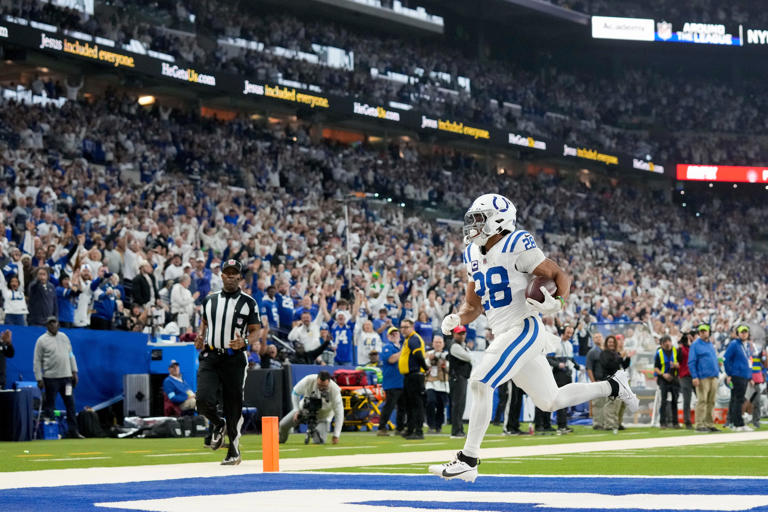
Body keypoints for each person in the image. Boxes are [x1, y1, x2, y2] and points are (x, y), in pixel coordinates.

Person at [429, 193, 638, 482]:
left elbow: (559, 275)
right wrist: (458, 318)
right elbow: (473, 305)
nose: (473, 225)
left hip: (523, 327)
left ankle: (468, 459)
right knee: (550, 401)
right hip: (504, 332)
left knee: (480, 381)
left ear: (498, 221)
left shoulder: (516, 243)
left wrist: (558, 303)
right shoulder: (472, 254)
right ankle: (613, 385)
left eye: (479, 219)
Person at [195, 259, 260, 465]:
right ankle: (218, 423)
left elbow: (256, 331)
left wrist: (245, 342)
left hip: (234, 358)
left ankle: (234, 450)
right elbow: (205, 322)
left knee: (233, 404)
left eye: (234, 273)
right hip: (211, 355)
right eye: (227, 272)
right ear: (221, 275)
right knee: (202, 399)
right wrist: (200, 336)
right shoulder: (209, 300)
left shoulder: (249, 302)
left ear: (239, 277)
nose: (230, 276)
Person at [33, 316, 83, 438]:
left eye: (54, 323)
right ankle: (51, 432)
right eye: (50, 323)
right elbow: (37, 361)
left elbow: (71, 354)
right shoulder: (41, 340)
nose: (53, 325)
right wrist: (39, 378)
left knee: (70, 404)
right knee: (50, 406)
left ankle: (73, 431)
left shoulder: (64, 337)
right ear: (46, 326)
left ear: (58, 325)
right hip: (51, 379)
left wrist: (74, 372)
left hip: (66, 378)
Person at [279, 371, 343, 445]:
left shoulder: (335, 390)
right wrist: (296, 410)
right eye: (319, 385)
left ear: (329, 382)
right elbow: (295, 393)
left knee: (318, 441)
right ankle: (280, 441)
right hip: (304, 411)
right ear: (317, 379)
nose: (321, 388)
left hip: (323, 416)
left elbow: (339, 413)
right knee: (283, 425)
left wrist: (336, 435)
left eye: (324, 386)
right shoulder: (308, 380)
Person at [399, 318, 428, 439]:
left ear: (412, 328)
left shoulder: (414, 339)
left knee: (416, 404)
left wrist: (425, 368)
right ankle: (410, 429)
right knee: (409, 404)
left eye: (406, 327)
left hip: (415, 375)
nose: (403, 329)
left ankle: (418, 430)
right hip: (409, 376)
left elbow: (418, 355)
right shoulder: (408, 339)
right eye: (402, 327)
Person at [688, 324, 720, 433]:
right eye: (701, 331)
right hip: (702, 377)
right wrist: (694, 376)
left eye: (705, 331)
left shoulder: (710, 344)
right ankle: (699, 424)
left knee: (711, 401)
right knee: (702, 400)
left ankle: (709, 424)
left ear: (709, 332)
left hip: (713, 376)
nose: (703, 333)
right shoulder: (695, 345)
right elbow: (691, 362)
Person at [548, 325, 579, 434]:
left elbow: (571, 359)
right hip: (558, 374)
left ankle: (564, 424)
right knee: (561, 399)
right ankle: (561, 425)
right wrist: (558, 364)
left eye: (571, 333)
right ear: (563, 332)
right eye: (568, 333)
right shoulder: (556, 343)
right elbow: (548, 358)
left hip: (567, 374)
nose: (569, 335)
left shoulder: (569, 345)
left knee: (566, 400)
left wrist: (578, 367)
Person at [377, 326, 407, 435]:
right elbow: (391, 359)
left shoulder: (400, 348)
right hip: (392, 382)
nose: (395, 335)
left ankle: (400, 428)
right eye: (392, 334)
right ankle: (382, 427)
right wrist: (403, 351)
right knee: (389, 406)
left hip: (402, 381)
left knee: (402, 407)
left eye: (396, 333)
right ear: (388, 336)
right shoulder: (387, 347)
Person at [724, 325, 753, 432]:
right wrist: (729, 373)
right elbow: (726, 359)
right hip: (737, 375)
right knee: (738, 400)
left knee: (736, 399)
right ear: (738, 333)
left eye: (745, 332)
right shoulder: (734, 344)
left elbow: (748, 361)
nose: (744, 334)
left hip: (744, 375)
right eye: (742, 332)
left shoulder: (747, 345)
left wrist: (749, 376)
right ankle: (738, 424)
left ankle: (733, 423)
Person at [600, 335, 631, 432]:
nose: (611, 344)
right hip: (610, 381)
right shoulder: (604, 353)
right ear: (606, 343)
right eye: (609, 342)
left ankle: (617, 423)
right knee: (611, 403)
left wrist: (628, 358)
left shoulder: (616, 353)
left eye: (613, 342)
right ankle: (609, 424)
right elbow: (609, 365)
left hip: (620, 381)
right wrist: (620, 357)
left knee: (621, 403)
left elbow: (623, 366)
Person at [448, 325, 473, 438]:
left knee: (461, 404)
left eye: (463, 333)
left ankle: (459, 429)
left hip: (462, 377)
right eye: (459, 334)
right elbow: (468, 357)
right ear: (454, 334)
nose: (462, 336)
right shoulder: (454, 346)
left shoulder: (461, 345)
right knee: (458, 404)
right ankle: (456, 430)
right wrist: (468, 350)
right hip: (457, 378)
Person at [654, 335, 680, 429]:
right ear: (662, 344)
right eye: (665, 342)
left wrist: (677, 365)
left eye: (669, 341)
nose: (667, 343)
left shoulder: (676, 351)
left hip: (674, 378)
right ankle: (663, 423)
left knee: (675, 401)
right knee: (664, 401)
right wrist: (663, 374)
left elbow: (680, 364)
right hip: (663, 379)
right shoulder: (659, 353)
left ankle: (675, 422)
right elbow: (656, 368)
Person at [425, 335, 450, 433]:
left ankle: (438, 426)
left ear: (443, 344)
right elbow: (424, 366)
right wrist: (430, 360)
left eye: (440, 342)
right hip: (430, 382)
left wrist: (444, 364)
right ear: (432, 344)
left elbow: (450, 369)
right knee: (430, 402)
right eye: (436, 342)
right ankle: (431, 425)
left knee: (441, 406)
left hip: (443, 383)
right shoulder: (428, 354)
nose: (438, 344)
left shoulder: (446, 355)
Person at [586, 331, 605, 430]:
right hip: (597, 380)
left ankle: (605, 422)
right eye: (596, 337)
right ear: (593, 340)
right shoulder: (592, 352)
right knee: (597, 403)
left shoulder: (606, 351)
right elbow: (589, 368)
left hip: (606, 381)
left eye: (600, 336)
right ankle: (597, 423)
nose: (598, 338)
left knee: (605, 403)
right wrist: (593, 382)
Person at [678, 331, 694, 429]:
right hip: (685, 376)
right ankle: (687, 421)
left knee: (701, 398)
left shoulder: (691, 349)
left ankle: (699, 419)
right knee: (687, 400)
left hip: (694, 376)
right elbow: (679, 359)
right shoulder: (681, 350)